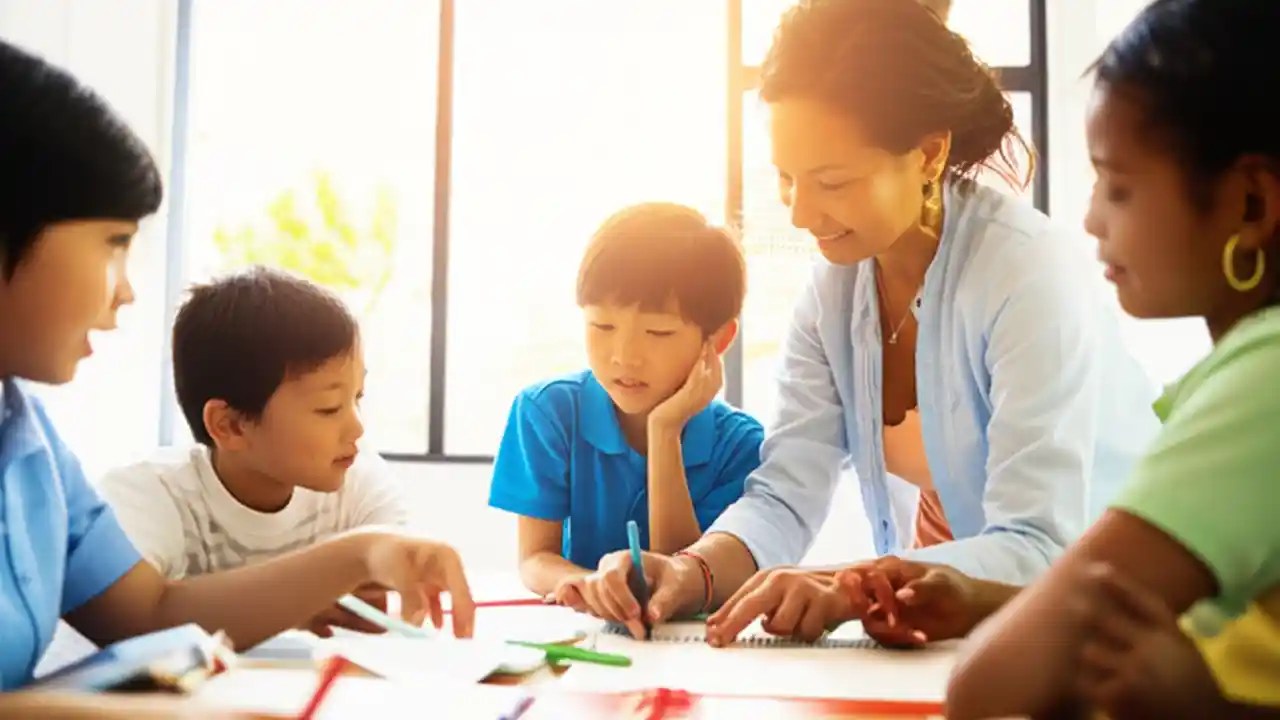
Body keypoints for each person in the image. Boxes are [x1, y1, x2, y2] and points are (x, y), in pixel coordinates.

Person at [577, 0, 1159, 645]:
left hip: (1125, 615)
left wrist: (846, 584)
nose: (800, 213)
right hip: (974, 603)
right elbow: (784, 494)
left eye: (832, 181)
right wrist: (691, 571)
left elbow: (1038, 542)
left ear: (929, 154)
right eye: (786, 178)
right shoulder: (834, 291)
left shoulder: (1025, 273)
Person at [0, 36, 473, 714]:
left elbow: (150, 612)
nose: (126, 291)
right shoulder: (147, 485)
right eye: (113, 245)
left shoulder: (30, 441)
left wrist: (365, 553)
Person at [940, 1, 1280, 717]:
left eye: (1118, 187)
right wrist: (992, 600)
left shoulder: (1266, 378)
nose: (1092, 218)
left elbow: (987, 686)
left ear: (1251, 204)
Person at [487, 203, 762, 635]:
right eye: (602, 326)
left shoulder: (741, 445)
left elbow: (680, 578)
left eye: (658, 332)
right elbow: (535, 558)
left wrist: (665, 431)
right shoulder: (547, 411)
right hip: (583, 637)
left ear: (718, 339)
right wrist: (587, 585)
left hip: (692, 648)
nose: (624, 357)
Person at [99, 268, 407, 638]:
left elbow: (393, 588)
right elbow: (129, 620)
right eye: (328, 408)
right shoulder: (153, 495)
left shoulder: (357, 482)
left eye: (358, 398)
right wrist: (298, 605)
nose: (357, 428)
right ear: (230, 426)